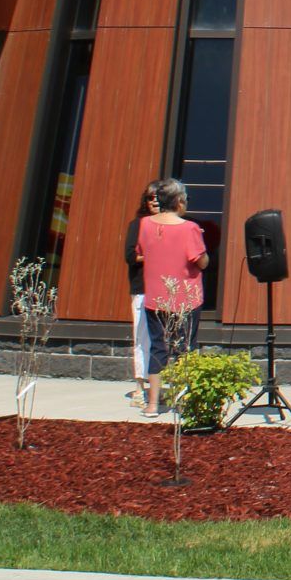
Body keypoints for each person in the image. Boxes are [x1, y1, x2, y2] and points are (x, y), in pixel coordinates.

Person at [134, 179, 209, 417]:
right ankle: (184, 400)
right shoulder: (189, 228)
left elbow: (141, 252)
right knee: (185, 349)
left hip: (155, 296)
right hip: (185, 297)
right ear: (178, 202)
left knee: (158, 348)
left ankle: (153, 404)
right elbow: (201, 261)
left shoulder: (145, 224)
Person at [123, 185, 156, 414]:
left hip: (167, 288)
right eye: (150, 198)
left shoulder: (171, 225)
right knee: (141, 336)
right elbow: (130, 256)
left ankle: (158, 388)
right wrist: (157, 256)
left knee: (163, 340)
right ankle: (139, 387)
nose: (155, 201)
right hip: (143, 287)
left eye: (159, 197)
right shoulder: (138, 225)